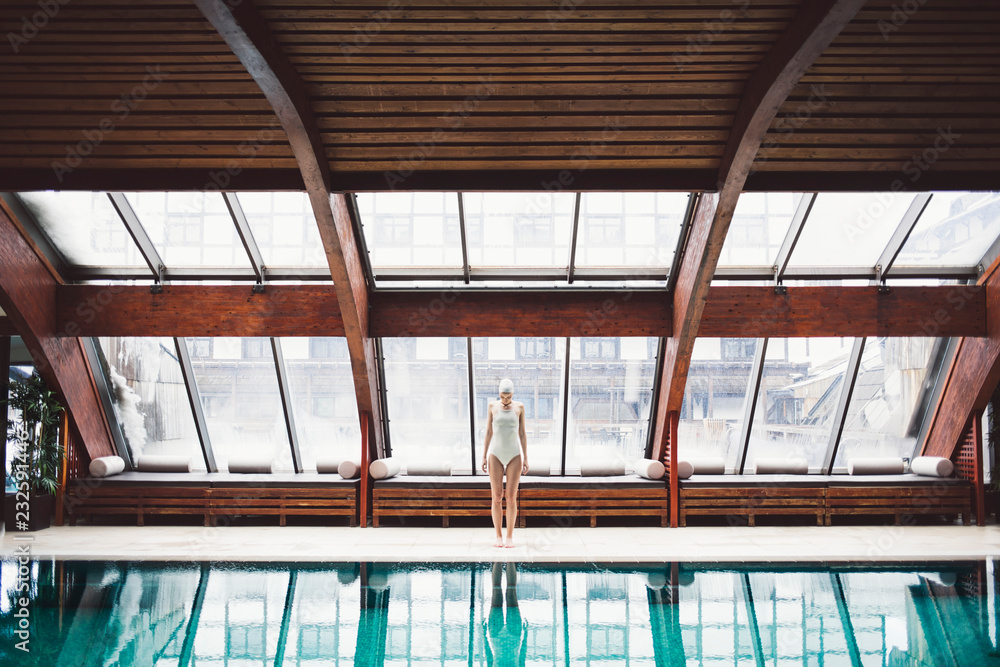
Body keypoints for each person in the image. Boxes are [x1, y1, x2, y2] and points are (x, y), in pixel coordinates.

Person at [481, 378, 528, 548]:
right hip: (496, 454)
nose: (505, 400)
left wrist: (526, 458)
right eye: (502, 397)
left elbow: (522, 434)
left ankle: (509, 536)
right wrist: (484, 456)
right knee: (496, 497)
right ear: (499, 394)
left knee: (511, 498)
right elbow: (488, 432)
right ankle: (498, 536)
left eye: (508, 397)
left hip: (514, 454)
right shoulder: (492, 407)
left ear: (512, 394)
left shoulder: (520, 407)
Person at [484, 562, 528, 665]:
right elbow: (522, 657)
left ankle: (498, 558)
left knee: (496, 592)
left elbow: (489, 659)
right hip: (513, 639)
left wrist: (484, 636)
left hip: (498, 639)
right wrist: (526, 634)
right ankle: (510, 559)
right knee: (511, 593)